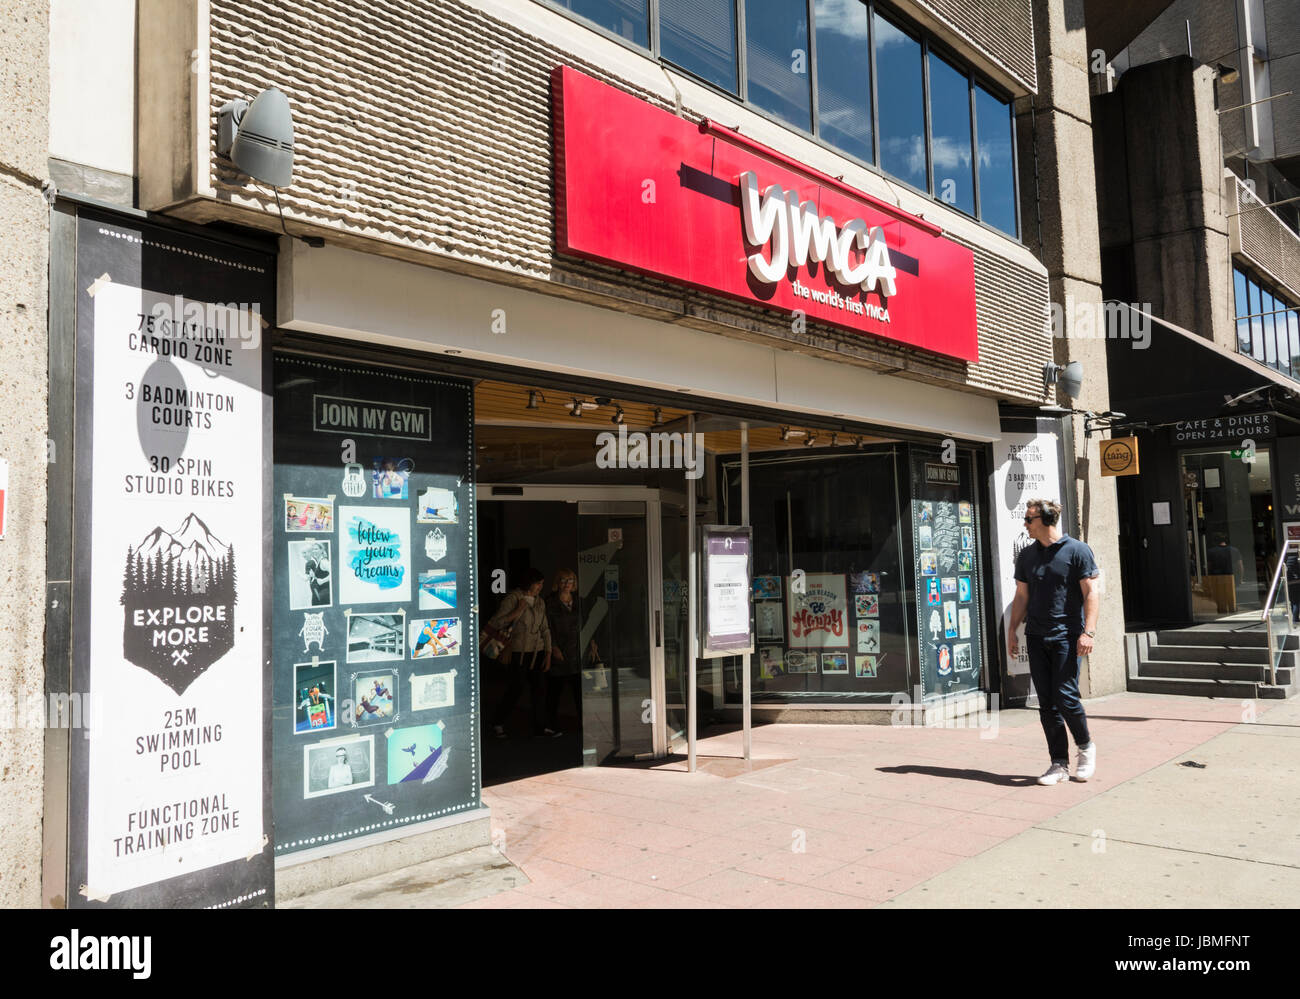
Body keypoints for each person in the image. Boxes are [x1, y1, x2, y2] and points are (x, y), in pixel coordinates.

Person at [1008, 498, 1100, 785]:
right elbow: (1022, 596)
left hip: (1068, 636)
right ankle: (1058, 764)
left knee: (1066, 695)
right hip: (1036, 635)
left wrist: (1089, 632)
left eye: (1029, 519)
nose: (1025, 524)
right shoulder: (1027, 556)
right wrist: (1012, 630)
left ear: (1047, 520)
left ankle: (1085, 748)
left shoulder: (1077, 551)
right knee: (1046, 702)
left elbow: (1091, 594)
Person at [488, 568, 552, 739]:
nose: (540, 587)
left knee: (539, 689)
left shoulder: (539, 601)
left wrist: (548, 651)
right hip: (517, 651)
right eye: (538, 583)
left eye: (542, 584)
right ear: (529, 582)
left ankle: (540, 727)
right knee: (516, 688)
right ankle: (497, 722)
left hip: (536, 651)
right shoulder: (513, 598)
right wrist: (517, 611)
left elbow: (544, 628)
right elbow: (496, 622)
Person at [543, 569, 596, 738]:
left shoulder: (579, 601)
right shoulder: (549, 602)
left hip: (577, 652)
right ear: (558, 583)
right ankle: (551, 725)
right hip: (559, 652)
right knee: (554, 693)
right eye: (564, 580)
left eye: (571, 580)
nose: (567, 584)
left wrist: (592, 642)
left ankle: (584, 724)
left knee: (580, 693)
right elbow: (546, 627)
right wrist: (553, 647)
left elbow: (586, 624)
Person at [1204, 535, 1243, 614]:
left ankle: (1221, 610)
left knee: (1219, 595)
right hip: (1231, 576)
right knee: (1231, 594)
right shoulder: (1234, 550)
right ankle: (1232, 609)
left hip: (1216, 577)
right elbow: (1240, 565)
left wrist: (1208, 577)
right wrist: (1241, 578)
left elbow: (1209, 566)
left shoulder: (1211, 551)